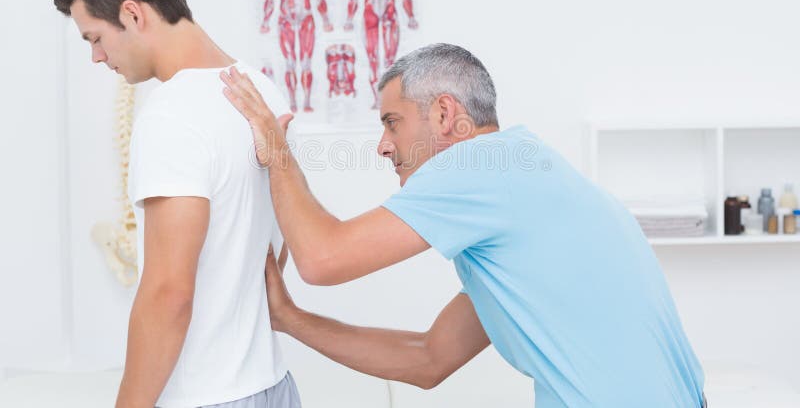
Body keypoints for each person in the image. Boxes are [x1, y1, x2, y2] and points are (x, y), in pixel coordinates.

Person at [221, 43, 707, 407]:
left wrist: (274, 144)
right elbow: (429, 359)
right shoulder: (522, 186)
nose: (383, 146)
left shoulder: (484, 166)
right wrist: (290, 319)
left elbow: (323, 258)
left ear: (445, 113)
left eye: (392, 122)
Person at [50, 0, 300, 408]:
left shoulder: (171, 115)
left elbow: (168, 294)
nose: (97, 57)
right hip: (273, 384)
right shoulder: (262, 91)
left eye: (96, 38)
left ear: (133, 13)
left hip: (205, 396)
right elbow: (272, 249)